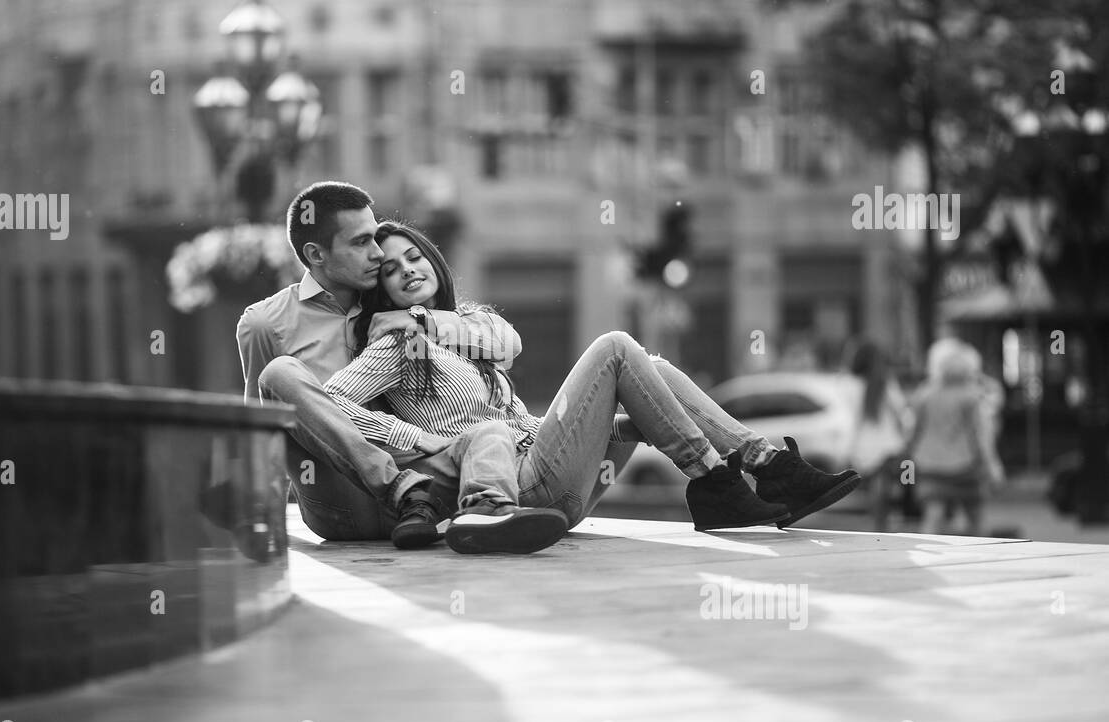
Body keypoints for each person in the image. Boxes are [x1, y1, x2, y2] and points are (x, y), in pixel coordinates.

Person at [323, 220, 863, 553]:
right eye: (391, 270)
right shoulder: (393, 346)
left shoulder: (467, 326)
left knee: (655, 370)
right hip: (514, 491)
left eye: (414, 256)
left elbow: (507, 342)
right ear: (382, 289)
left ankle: (766, 465)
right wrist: (418, 441)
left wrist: (429, 323)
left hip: (553, 481)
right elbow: (332, 403)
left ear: (433, 259)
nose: (407, 270)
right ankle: (717, 480)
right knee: (614, 347)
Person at [236, 181, 524, 545]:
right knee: (281, 376)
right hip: (342, 496)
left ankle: (473, 512)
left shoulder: (391, 299)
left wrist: (420, 320)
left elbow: (505, 343)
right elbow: (262, 427)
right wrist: (261, 521)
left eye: (374, 238)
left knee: (487, 440)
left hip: (427, 494)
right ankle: (399, 488)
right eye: (360, 243)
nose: (378, 254)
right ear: (316, 254)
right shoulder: (266, 322)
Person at [905, 337, 1006, 535]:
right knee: (975, 517)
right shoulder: (972, 396)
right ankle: (979, 558)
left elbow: (912, 431)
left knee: (933, 516)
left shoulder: (924, 395)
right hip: (966, 466)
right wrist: (993, 465)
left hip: (930, 465)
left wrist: (907, 460)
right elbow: (981, 435)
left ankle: (928, 559)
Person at [845, 340, 912, 531]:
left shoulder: (848, 384)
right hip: (889, 444)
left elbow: (850, 420)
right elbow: (900, 411)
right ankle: (885, 524)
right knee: (886, 486)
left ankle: (878, 524)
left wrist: (848, 449)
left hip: (863, 446)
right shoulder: (884, 381)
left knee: (875, 489)